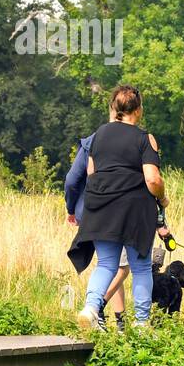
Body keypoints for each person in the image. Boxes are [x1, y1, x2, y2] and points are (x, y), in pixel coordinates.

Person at [68, 84, 168, 330]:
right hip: (135, 210)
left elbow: (92, 172)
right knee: (141, 266)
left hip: (101, 207)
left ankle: (91, 308)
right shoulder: (145, 138)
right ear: (139, 110)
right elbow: (152, 179)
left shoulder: (99, 135)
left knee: (106, 264)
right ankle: (142, 325)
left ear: (114, 108)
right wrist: (163, 199)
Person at [65, 132, 130, 331]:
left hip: (91, 213)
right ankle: (96, 308)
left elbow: (72, 179)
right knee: (121, 266)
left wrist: (71, 208)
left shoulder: (91, 141)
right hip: (120, 213)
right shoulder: (131, 138)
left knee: (108, 264)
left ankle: (119, 323)